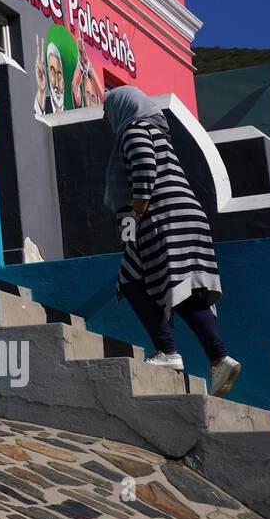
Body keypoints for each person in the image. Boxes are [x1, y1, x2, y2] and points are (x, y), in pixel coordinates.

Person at [103, 86, 241, 397]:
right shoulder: (157, 132)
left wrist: (137, 212)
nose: (105, 118)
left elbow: (144, 168)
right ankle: (218, 357)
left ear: (122, 107)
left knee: (137, 281)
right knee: (173, 285)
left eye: (106, 111)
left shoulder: (135, 130)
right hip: (187, 217)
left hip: (163, 219)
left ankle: (169, 352)